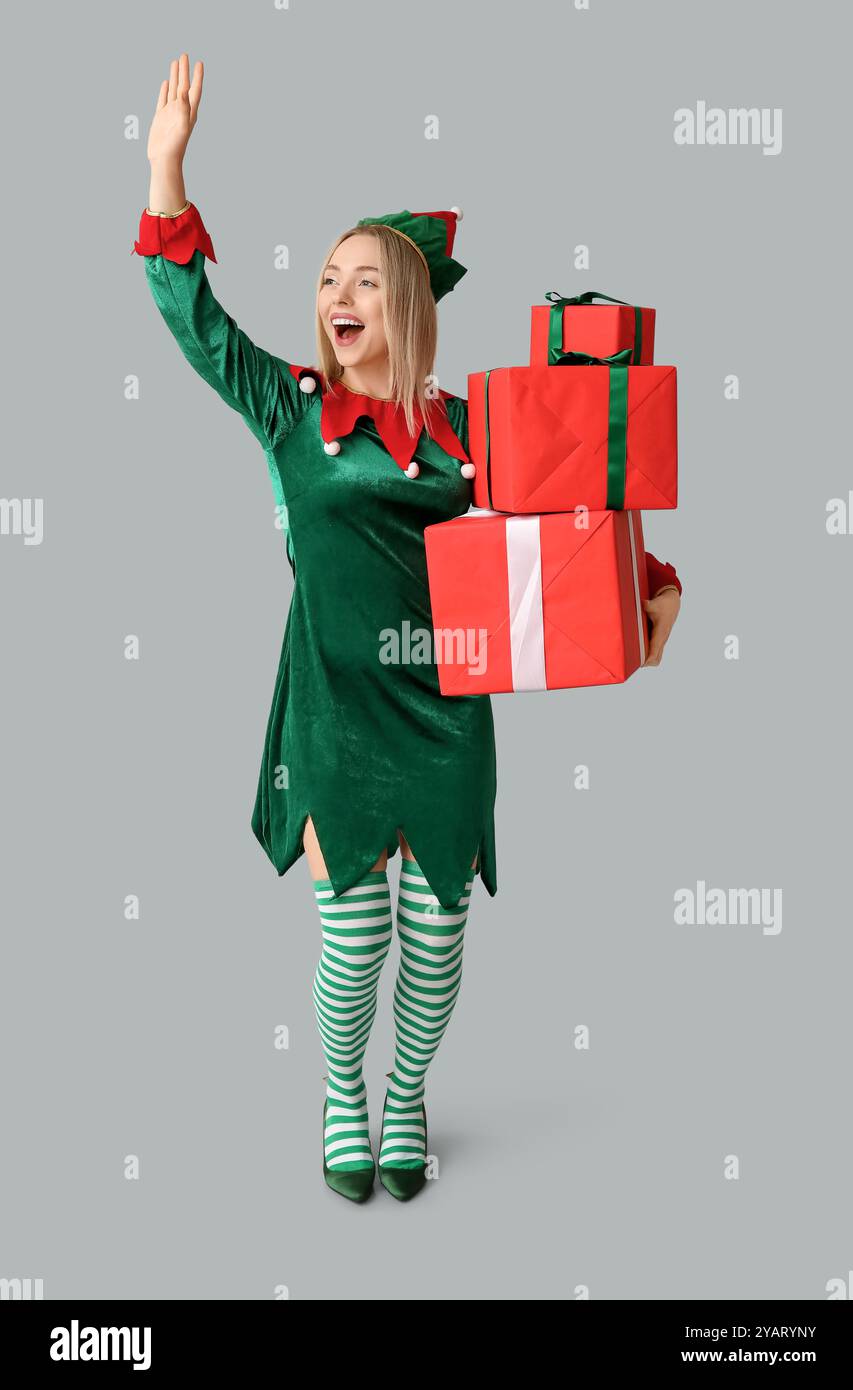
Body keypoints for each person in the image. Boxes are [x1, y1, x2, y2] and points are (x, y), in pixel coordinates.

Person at [133, 54, 683, 1205]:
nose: (337, 293)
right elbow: (195, 319)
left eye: (366, 280)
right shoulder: (286, 403)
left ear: (411, 307)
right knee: (351, 941)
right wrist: (167, 168)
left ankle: (407, 1093)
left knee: (434, 942)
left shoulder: (474, 428)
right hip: (330, 710)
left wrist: (649, 592)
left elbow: (579, 505)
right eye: (328, 277)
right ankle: (342, 1090)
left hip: (443, 712)